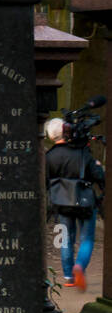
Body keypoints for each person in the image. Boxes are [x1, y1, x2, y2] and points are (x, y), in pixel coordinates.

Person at [45, 117, 105, 290]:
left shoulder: (49, 156)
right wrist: (98, 166)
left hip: (61, 202)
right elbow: (98, 176)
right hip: (84, 201)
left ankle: (69, 276)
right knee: (87, 238)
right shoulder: (81, 152)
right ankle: (79, 266)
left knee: (65, 239)